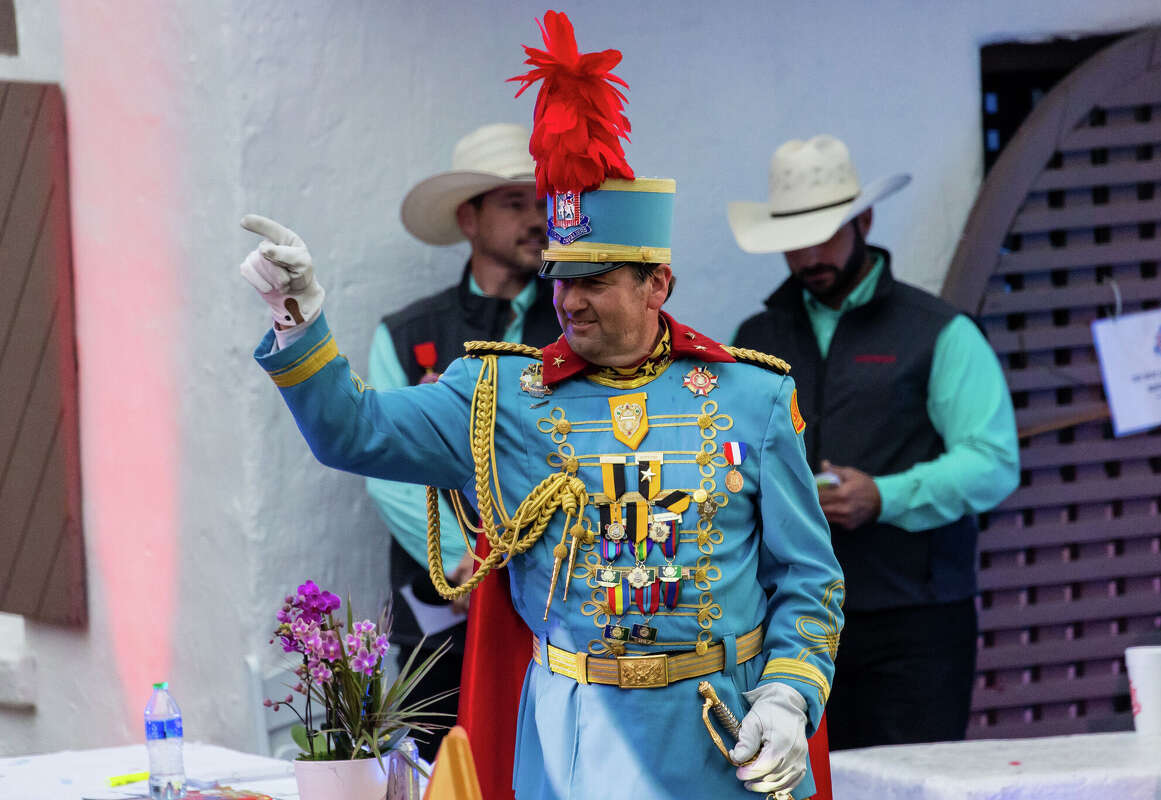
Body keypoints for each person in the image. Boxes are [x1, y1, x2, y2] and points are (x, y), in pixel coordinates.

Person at [239, 12, 843, 798]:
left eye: (595, 281)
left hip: (722, 738)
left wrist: (789, 697)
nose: (569, 301)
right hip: (575, 744)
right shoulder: (497, 396)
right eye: (561, 278)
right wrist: (298, 320)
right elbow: (352, 433)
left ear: (657, 284)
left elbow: (809, 578)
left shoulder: (753, 398)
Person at [728, 134, 1020, 750]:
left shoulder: (940, 331)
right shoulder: (755, 338)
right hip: (788, 623)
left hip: (914, 624)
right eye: (795, 240)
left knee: (911, 784)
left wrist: (884, 496)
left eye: (825, 234)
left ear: (864, 221)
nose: (810, 255)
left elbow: (993, 464)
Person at [366, 122, 556, 762]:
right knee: (447, 768)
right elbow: (386, 467)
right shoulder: (408, 333)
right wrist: (463, 558)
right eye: (515, 203)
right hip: (442, 613)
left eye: (542, 202)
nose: (537, 219)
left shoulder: (579, 320)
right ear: (468, 219)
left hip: (560, 602)